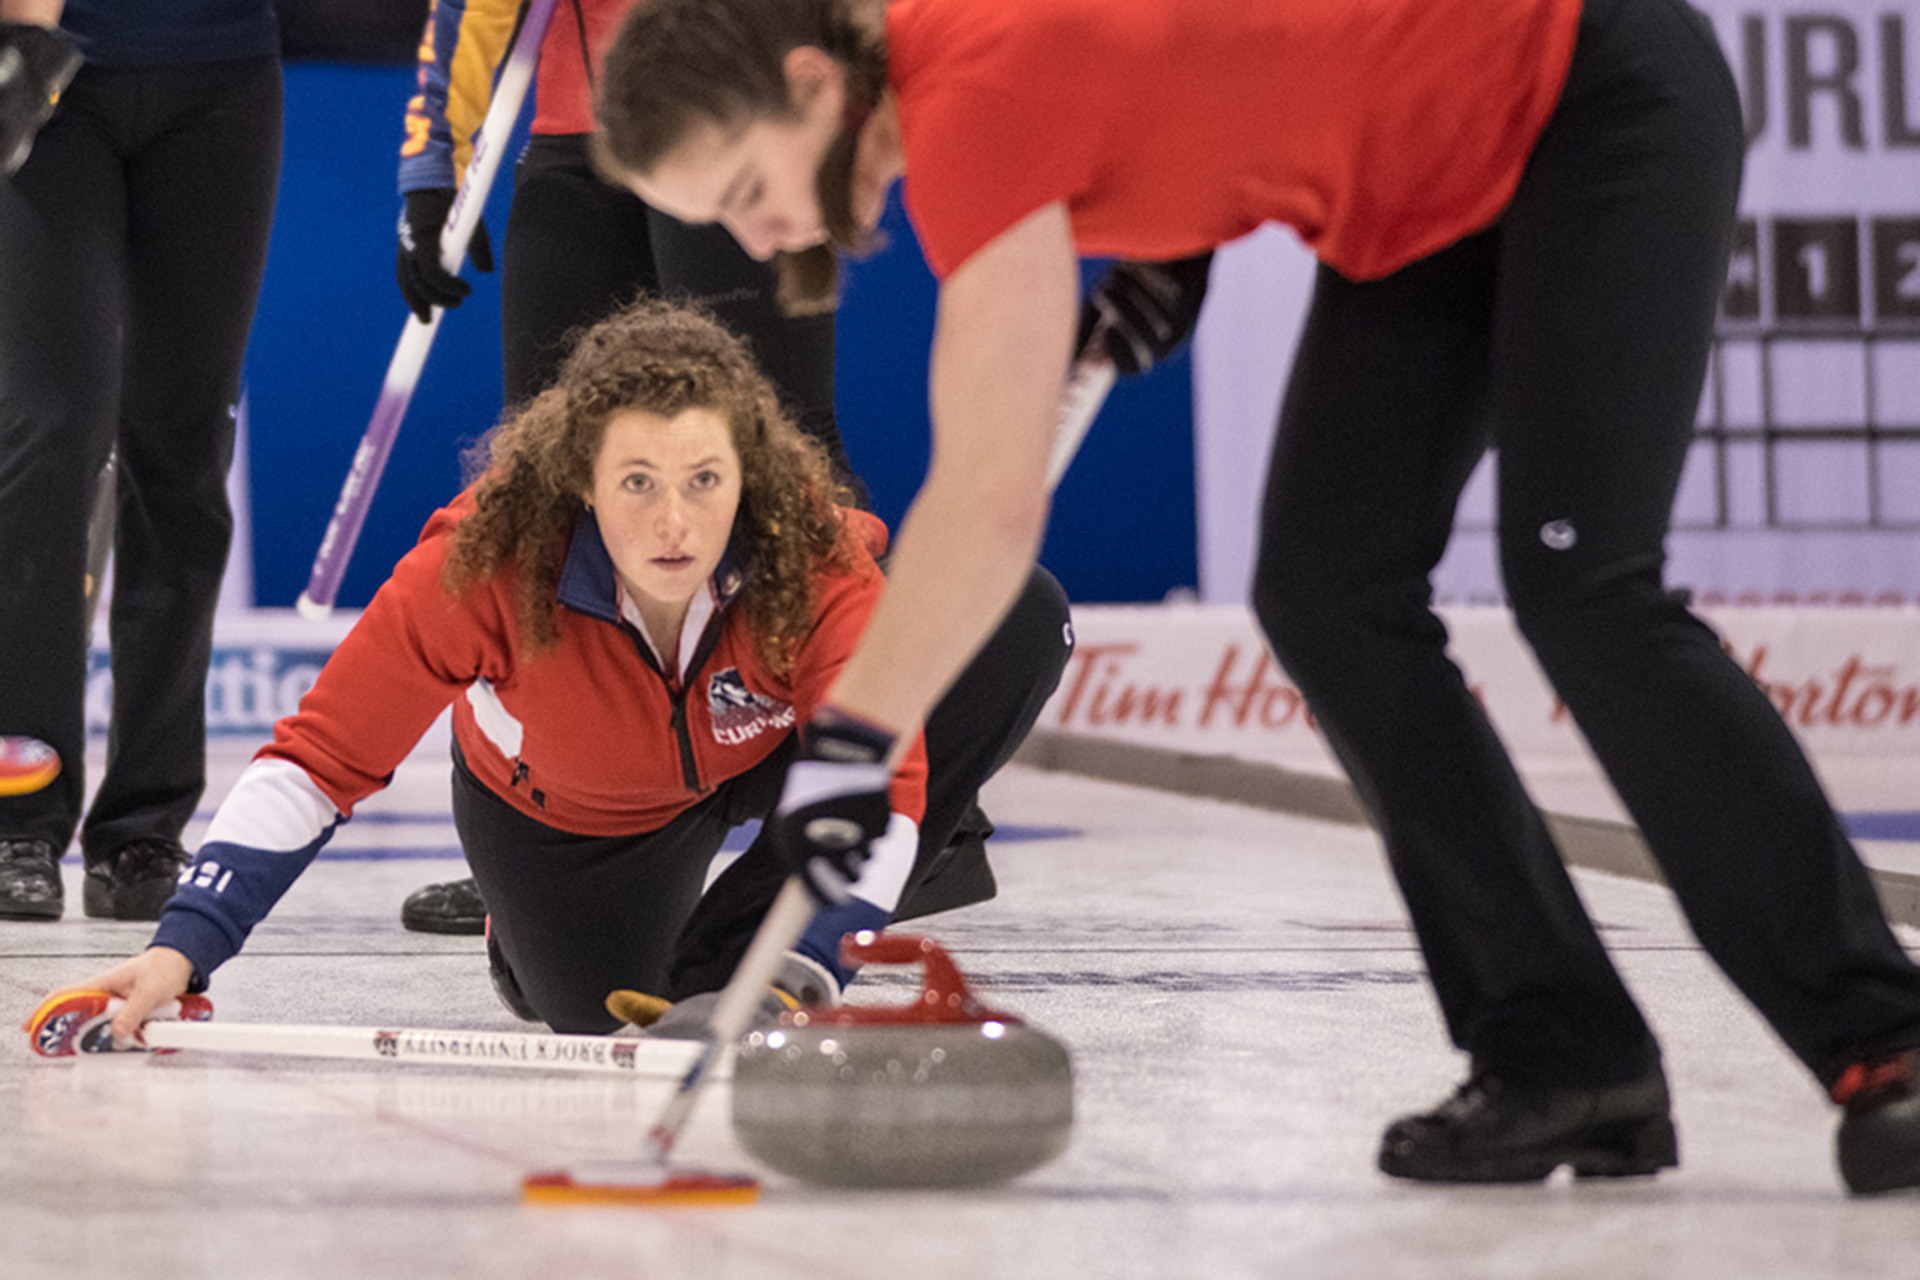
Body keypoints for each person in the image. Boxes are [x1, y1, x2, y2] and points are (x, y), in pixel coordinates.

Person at [590, 0, 1920, 1195]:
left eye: (752, 188)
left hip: (1587, 95)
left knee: (1583, 585)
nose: (763, 237)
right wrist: (1187, 247)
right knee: (1328, 593)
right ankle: (1562, 1053)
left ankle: (1888, 1041)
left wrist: (851, 745)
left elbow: (989, 505)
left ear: (816, 82)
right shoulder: (964, 71)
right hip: (1418, 195)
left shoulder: (968, 94)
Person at [55, 297, 992, 1041]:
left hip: (774, 757)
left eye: (705, 480)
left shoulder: (808, 554)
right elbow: (316, 763)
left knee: (1007, 618)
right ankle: (526, 940)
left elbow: (886, 784)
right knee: (594, 1010)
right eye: (638, 483)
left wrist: (802, 969)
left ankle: (741, 958)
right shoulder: (486, 562)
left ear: (745, 474)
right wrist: (182, 948)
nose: (675, 524)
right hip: (574, 819)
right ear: (583, 478)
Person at [389, 0, 1069, 936]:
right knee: (551, 474)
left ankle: (906, 793)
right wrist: (436, 156)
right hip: (572, 126)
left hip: (725, 92)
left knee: (780, 461)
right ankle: (553, 818)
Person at [0, 0, 282, 921]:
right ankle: (20, 817)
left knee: (183, 446)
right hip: (48, 71)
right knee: (51, 436)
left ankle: (144, 827)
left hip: (223, 77)